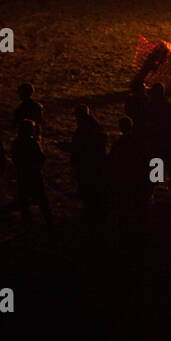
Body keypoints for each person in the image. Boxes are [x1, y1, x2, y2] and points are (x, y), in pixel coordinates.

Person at [70, 104, 108, 244]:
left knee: (90, 194)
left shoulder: (84, 130)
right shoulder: (95, 126)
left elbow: (80, 148)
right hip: (95, 167)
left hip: (89, 168)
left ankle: (94, 220)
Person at [11, 119, 53, 234]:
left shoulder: (16, 143)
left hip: (22, 175)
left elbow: (15, 159)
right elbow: (41, 158)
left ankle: (28, 225)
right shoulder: (32, 143)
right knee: (42, 199)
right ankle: (48, 222)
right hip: (34, 175)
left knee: (24, 201)